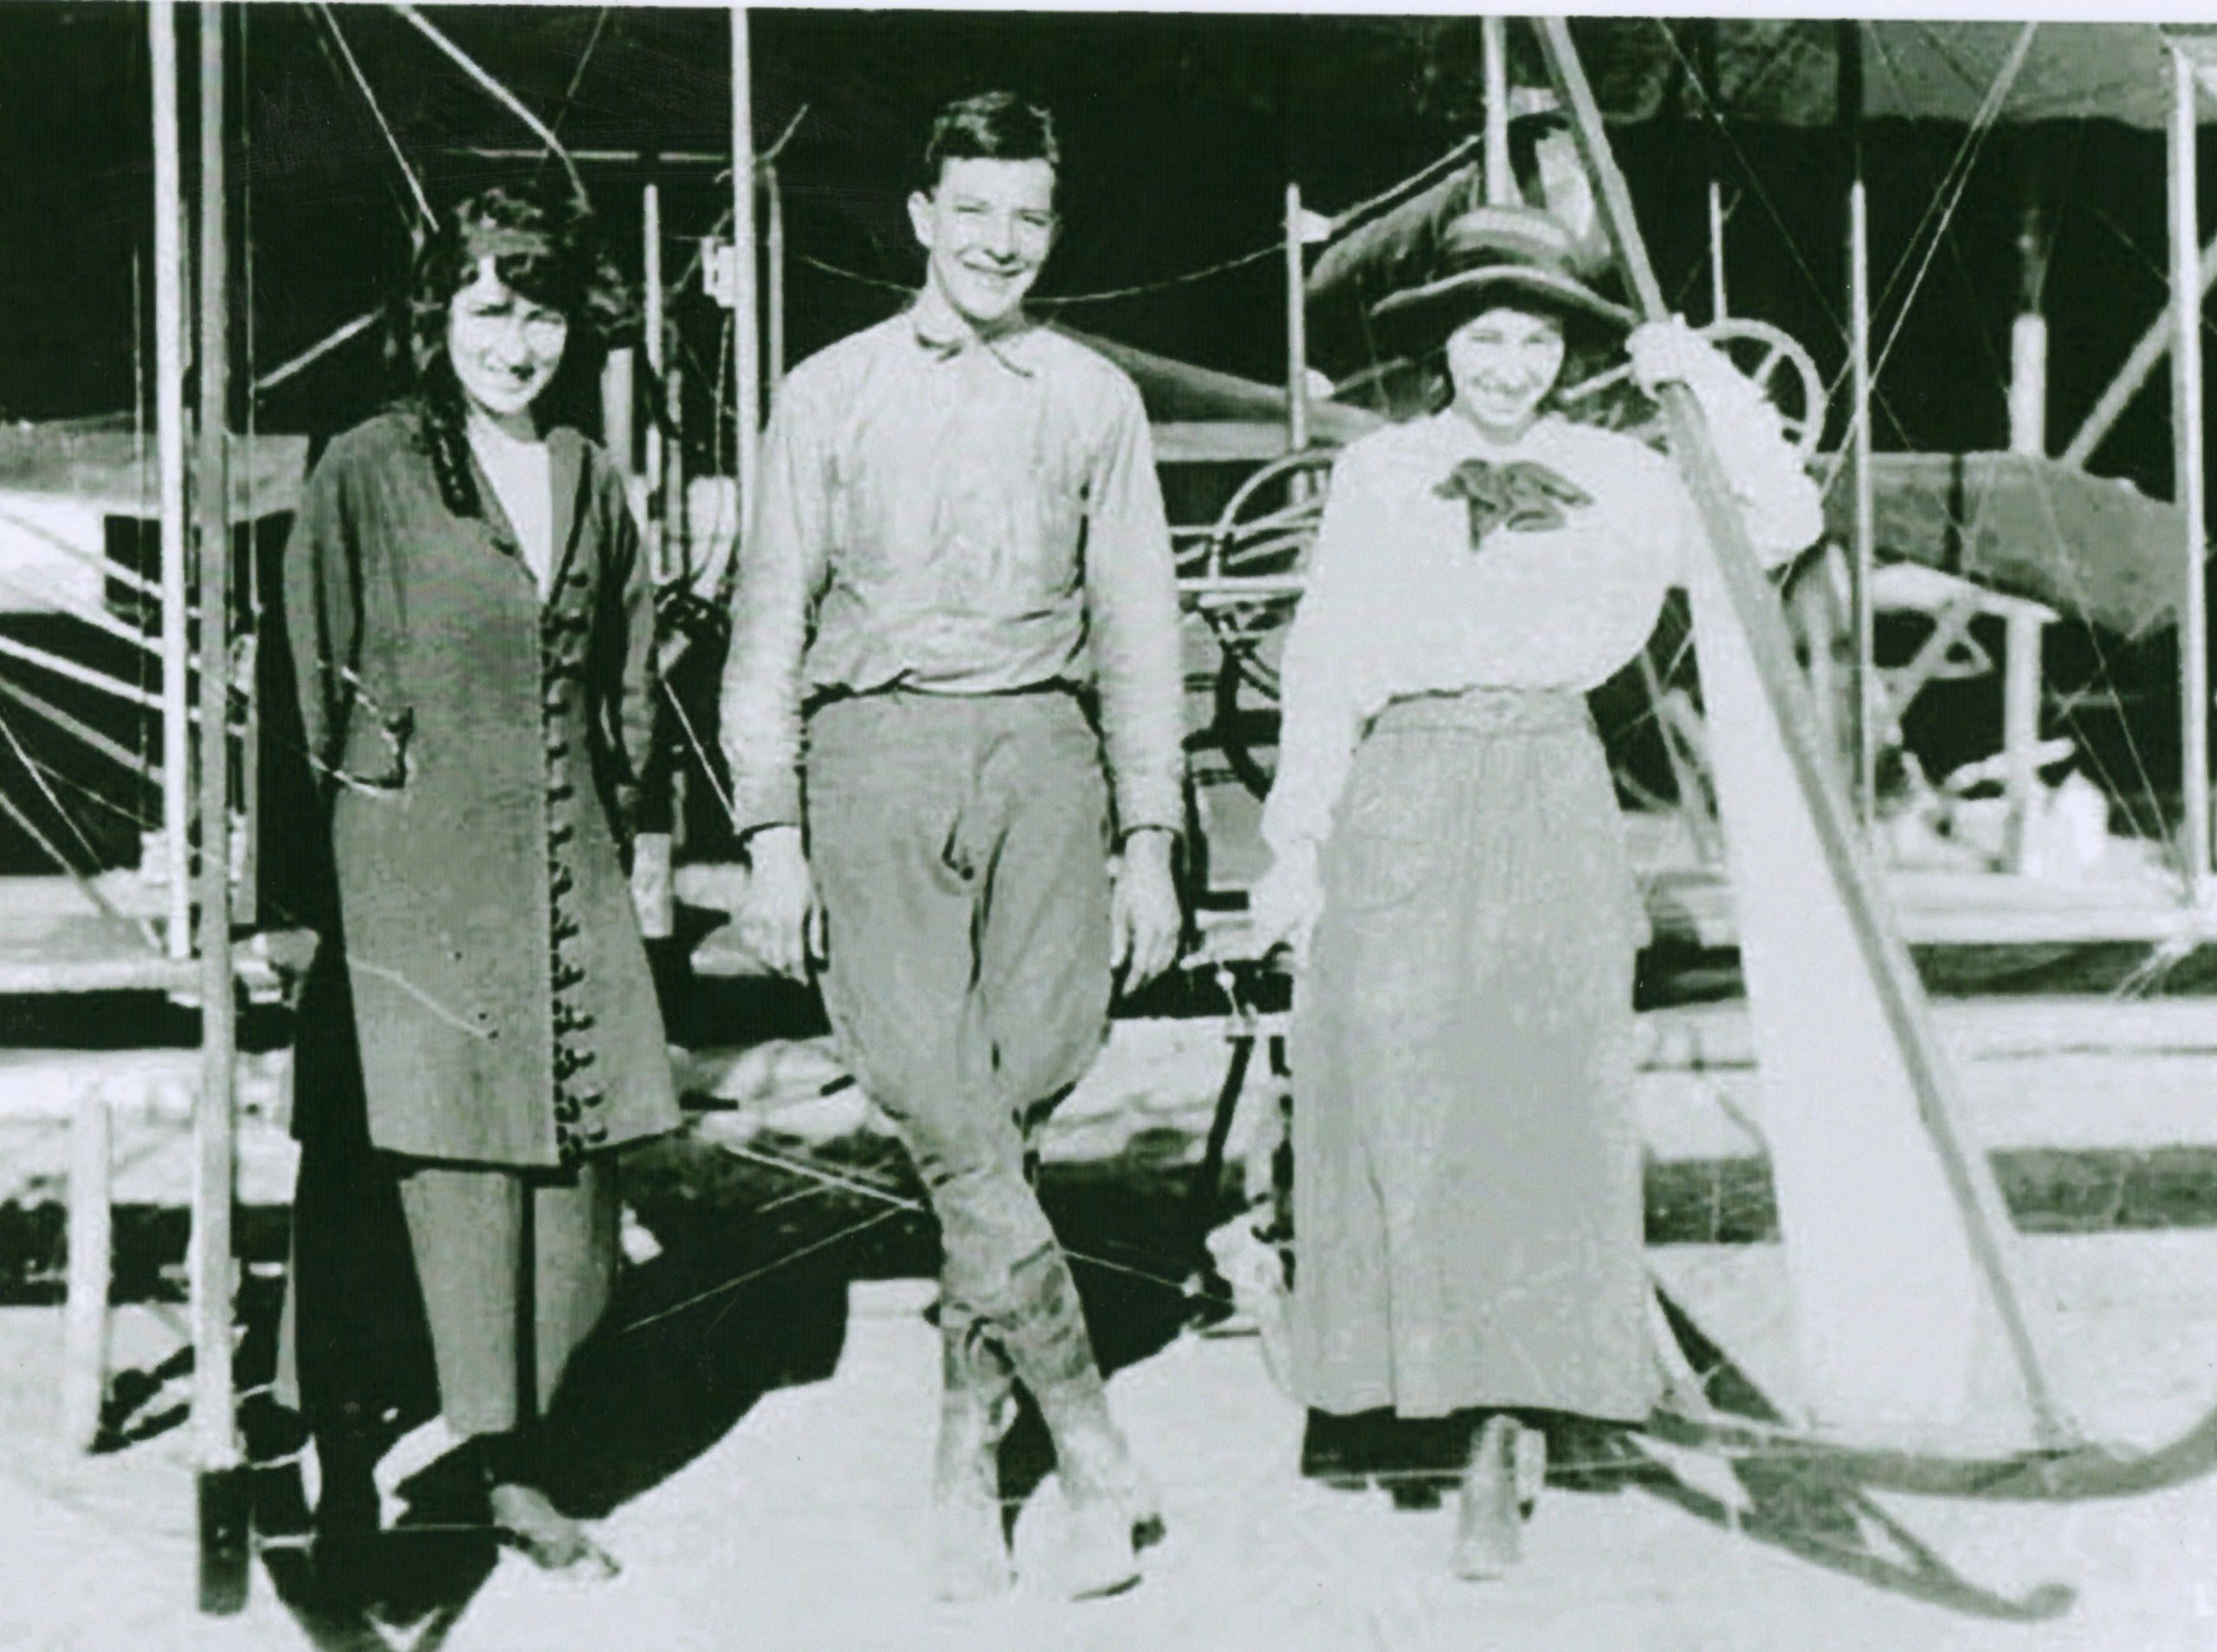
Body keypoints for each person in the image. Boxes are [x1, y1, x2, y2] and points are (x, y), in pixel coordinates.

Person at [1249, 202, 1822, 1580]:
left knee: (1541, 1104)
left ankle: (1507, 1427)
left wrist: (1702, 379)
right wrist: (1295, 850)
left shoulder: (1624, 476)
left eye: (1536, 342)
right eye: (1484, 339)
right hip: (1404, 786)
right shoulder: (1382, 473)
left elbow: (1783, 521)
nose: (1509, 368)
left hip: (1554, 788)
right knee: (1401, 1087)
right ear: (1441, 345)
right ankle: (1422, 1385)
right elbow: (1325, 668)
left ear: (1569, 351)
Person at [720, 90, 1184, 1601]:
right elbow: (768, 621)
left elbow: (1141, 630)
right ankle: (1083, 1435)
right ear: (923, 218)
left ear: (1054, 228)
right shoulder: (830, 392)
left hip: (1045, 758)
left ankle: (962, 1450)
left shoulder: (1094, 400)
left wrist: (1151, 837)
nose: (999, 241)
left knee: (1016, 1095)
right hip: (874, 763)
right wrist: (772, 833)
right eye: (972, 210)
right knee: (938, 1093)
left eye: (1028, 217)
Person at [274, 183, 680, 1579]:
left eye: (544, 314)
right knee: (397, 1189)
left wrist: (635, 849)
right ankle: (344, 1480)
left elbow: (628, 681)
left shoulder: (588, 472)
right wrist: (294, 910)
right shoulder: (366, 469)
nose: (517, 344)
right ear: (437, 315)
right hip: (405, 904)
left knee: (557, 1199)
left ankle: (513, 1469)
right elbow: (299, 682)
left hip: (558, 893)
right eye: (490, 310)